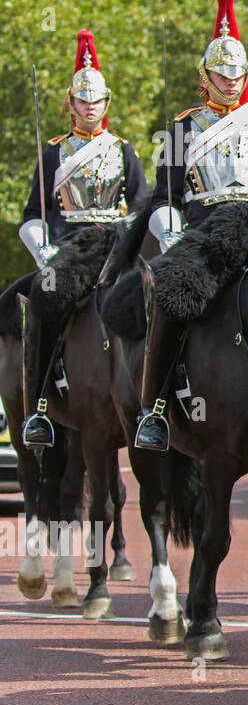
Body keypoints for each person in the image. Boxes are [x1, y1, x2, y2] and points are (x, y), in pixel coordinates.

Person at [134, 0, 248, 452]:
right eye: (221, 74)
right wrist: (169, 232)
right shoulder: (182, 128)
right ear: (203, 77)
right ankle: (156, 408)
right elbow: (164, 198)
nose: (231, 81)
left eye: (238, 74)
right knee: (170, 296)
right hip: (204, 232)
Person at [19, 30, 149, 447]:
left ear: (105, 103)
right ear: (71, 104)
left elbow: (143, 203)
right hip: (71, 246)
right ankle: (39, 405)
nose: (90, 107)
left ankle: (159, 400)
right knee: (46, 295)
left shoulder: (123, 151)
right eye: (82, 101)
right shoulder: (53, 153)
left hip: (116, 242)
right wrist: (43, 250)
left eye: (97, 101)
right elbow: (32, 215)